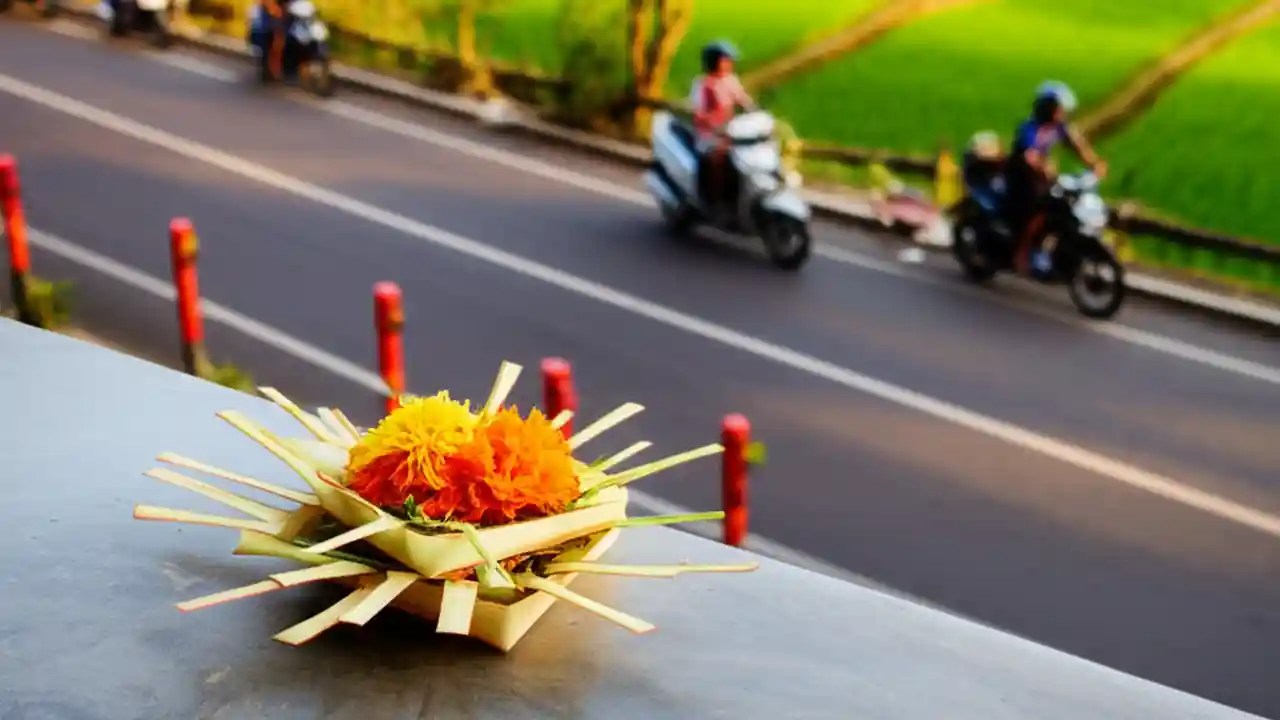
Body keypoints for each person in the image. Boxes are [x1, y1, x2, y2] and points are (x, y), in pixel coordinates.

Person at [1003, 81, 1107, 276]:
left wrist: (1095, 164)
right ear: (1047, 108)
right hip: (1022, 179)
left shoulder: (1059, 127)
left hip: (1043, 177)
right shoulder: (1029, 128)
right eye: (1059, 109)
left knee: (1065, 207)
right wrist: (1044, 168)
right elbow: (1030, 156)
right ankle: (1022, 253)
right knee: (1040, 212)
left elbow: (1077, 146)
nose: (1062, 113)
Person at [692, 40, 754, 220]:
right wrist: (711, 124)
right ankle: (714, 200)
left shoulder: (731, 81)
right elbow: (698, 113)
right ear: (713, 61)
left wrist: (754, 110)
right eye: (724, 60)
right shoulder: (704, 85)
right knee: (719, 159)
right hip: (710, 135)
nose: (728, 63)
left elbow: (743, 99)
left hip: (732, 132)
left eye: (729, 60)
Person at [259, 0, 287, 81]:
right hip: (272, 20)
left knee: (278, 46)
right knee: (273, 46)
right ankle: (272, 71)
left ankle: (274, 70)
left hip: (279, 17)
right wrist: (274, 8)